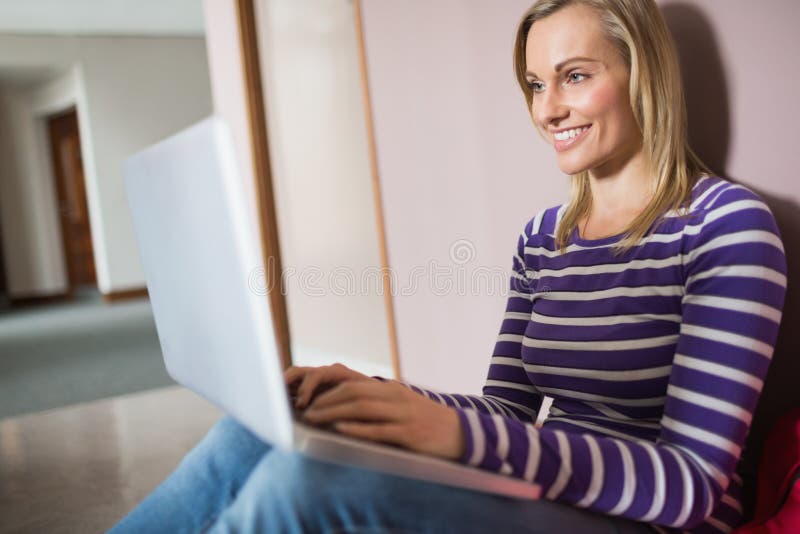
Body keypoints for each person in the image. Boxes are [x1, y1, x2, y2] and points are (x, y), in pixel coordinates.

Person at [111, 0, 787, 532]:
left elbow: (693, 484)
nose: (547, 108)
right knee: (253, 436)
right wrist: (381, 396)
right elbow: (506, 410)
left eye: (575, 76)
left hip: (647, 523)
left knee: (304, 486)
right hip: (547, 490)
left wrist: (461, 437)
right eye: (534, 83)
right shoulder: (543, 239)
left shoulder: (725, 226)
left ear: (642, 73)